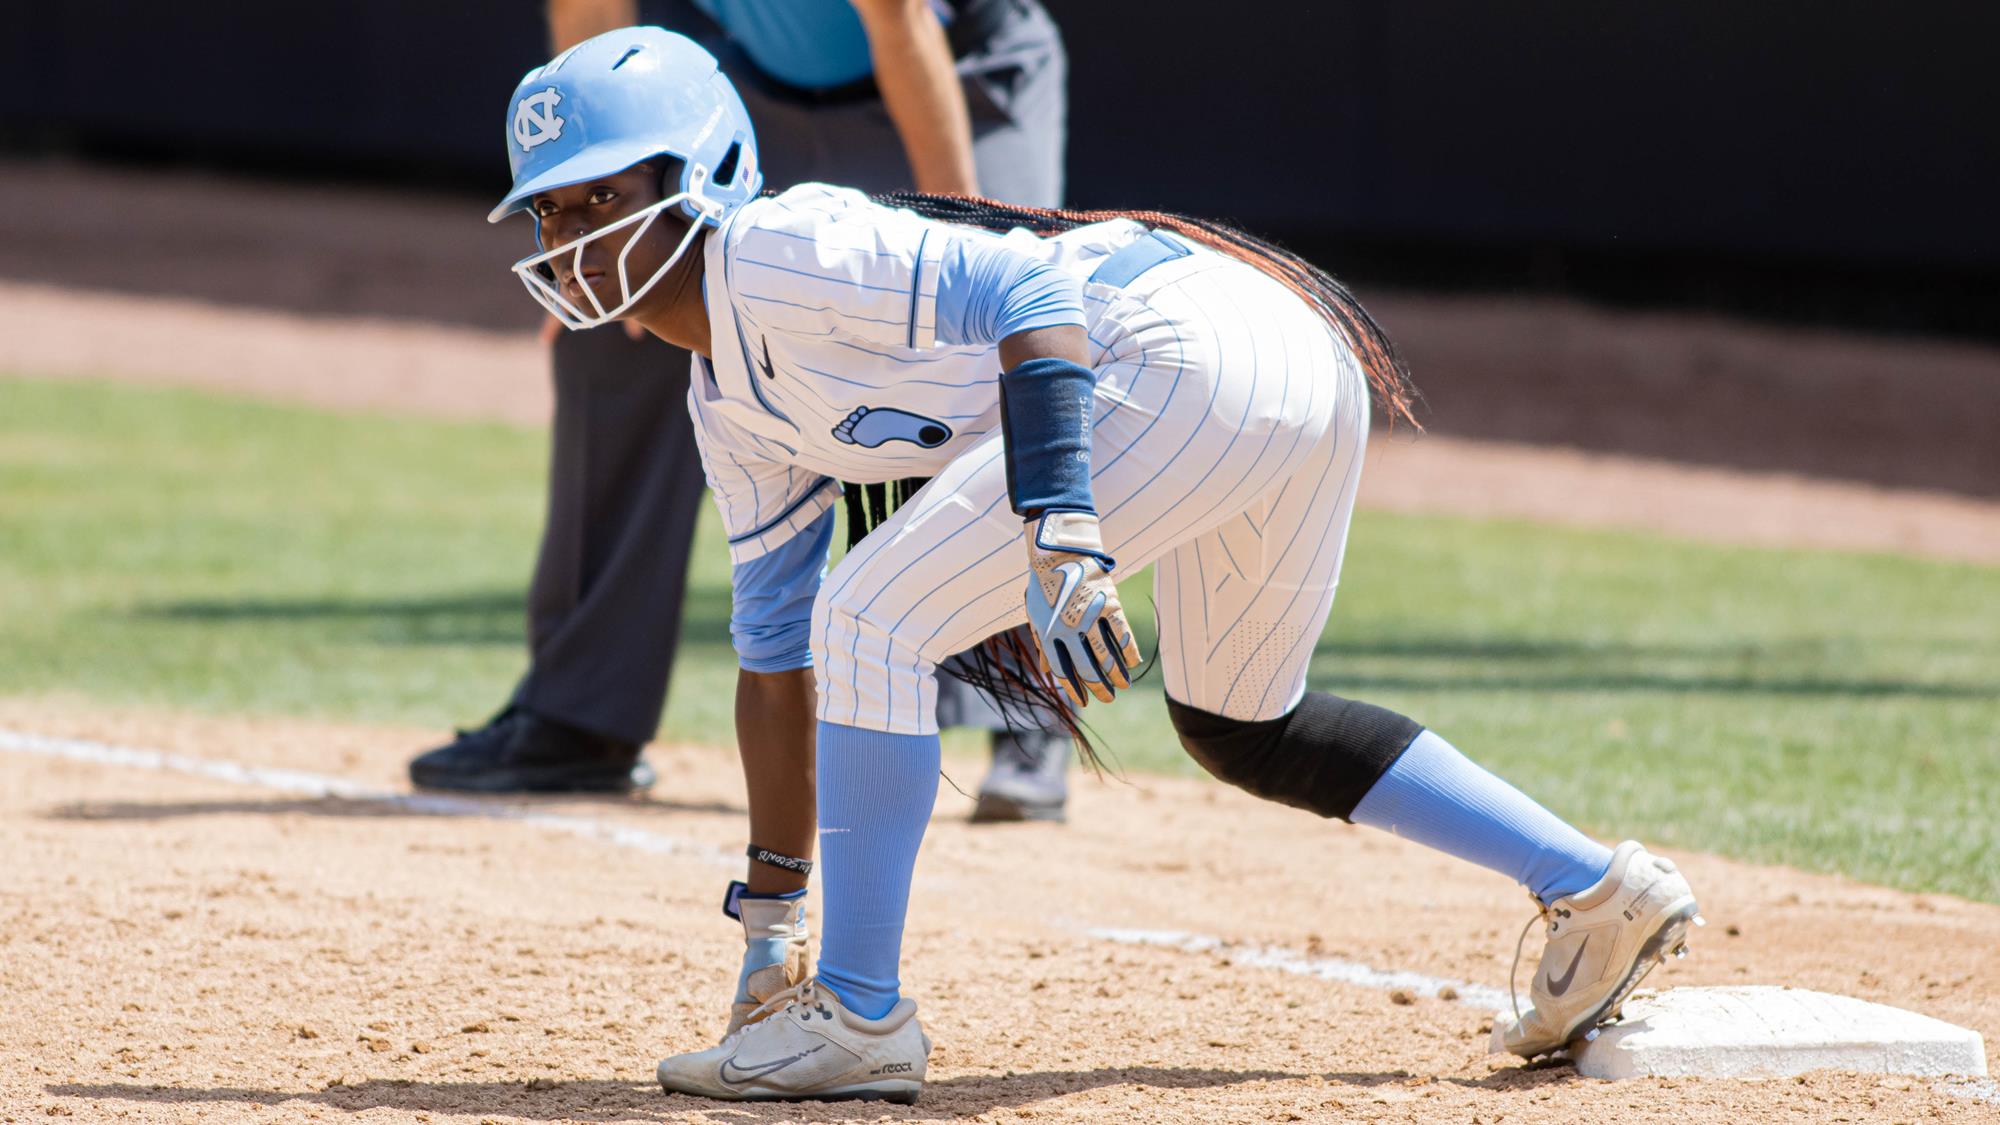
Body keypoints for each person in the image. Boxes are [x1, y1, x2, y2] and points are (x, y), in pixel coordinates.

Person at [487, 29, 1706, 1104]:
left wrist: (1060, 521)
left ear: (704, 175)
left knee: (872, 612)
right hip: (1271, 367)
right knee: (1243, 725)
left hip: (1193, 349)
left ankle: (858, 1017)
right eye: (550, 213)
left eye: (601, 198)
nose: (573, 237)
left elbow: (1029, 284)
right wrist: (768, 917)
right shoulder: (725, 403)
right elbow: (773, 660)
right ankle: (1595, 888)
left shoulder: (779, 247)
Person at [413, 0, 1076, 823]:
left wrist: (958, 239)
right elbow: (592, 16)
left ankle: (1032, 716)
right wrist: (592, 248)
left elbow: (899, 22)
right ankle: (581, 714)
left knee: (986, 352)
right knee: (616, 336)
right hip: (756, 80)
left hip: (957, 64)